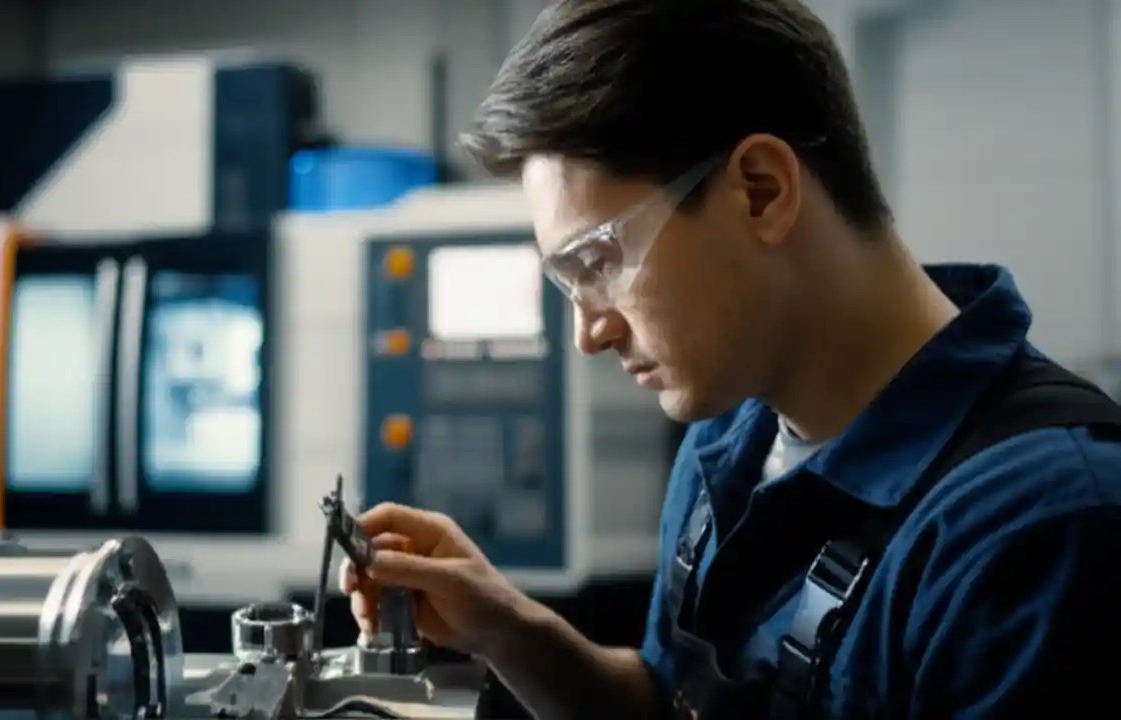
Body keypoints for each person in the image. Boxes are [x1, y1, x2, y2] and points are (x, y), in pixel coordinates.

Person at [341, 1, 1121, 717]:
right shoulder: (727, 447)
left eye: (600, 261)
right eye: (568, 283)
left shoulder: (1039, 531)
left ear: (760, 190)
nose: (589, 332)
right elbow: (668, 703)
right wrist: (507, 630)